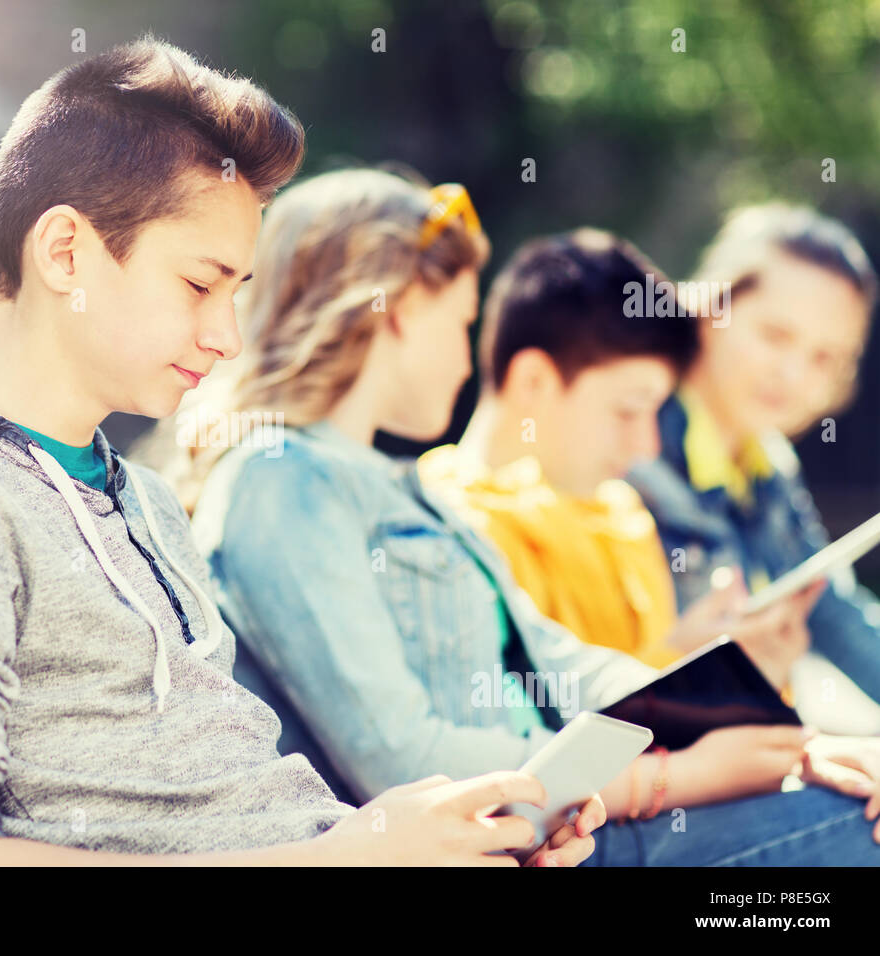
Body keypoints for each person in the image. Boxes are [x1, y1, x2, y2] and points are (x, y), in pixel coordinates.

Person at [0, 37, 599, 867]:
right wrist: (350, 857)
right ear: (65, 252)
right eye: (198, 284)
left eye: (236, 294)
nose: (226, 337)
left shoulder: (142, 501)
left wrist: (432, 839)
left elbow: (237, 809)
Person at [175, 165, 880, 864]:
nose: (467, 361)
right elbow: (401, 757)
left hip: (560, 823)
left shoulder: (401, 489)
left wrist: (766, 732)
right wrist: (671, 775)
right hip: (525, 832)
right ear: (394, 313)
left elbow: (563, 664)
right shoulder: (280, 481)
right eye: (459, 324)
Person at [420, 229, 824, 693]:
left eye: (656, 412)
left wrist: (736, 674)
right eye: (628, 409)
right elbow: (524, 738)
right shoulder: (440, 528)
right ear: (534, 382)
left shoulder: (624, 518)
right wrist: (677, 668)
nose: (647, 447)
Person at [624, 204, 880, 729]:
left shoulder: (768, 462)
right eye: (775, 336)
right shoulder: (629, 441)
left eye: (825, 357)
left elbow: (831, 610)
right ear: (711, 307)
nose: (793, 376)